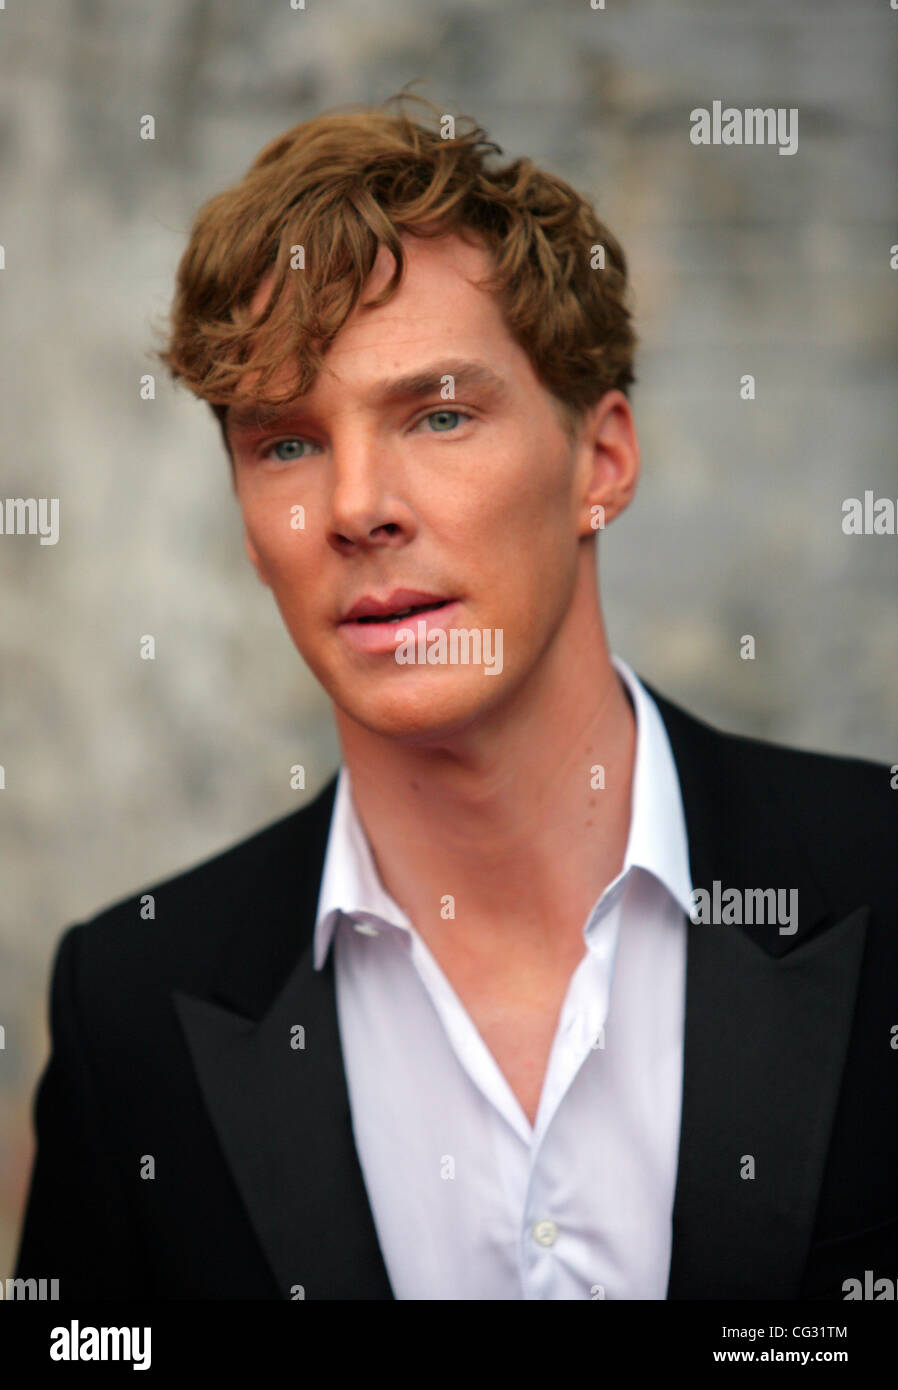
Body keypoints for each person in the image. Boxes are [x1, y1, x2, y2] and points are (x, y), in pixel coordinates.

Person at [15, 95, 896, 1300]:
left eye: (437, 414)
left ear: (600, 461)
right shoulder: (129, 1011)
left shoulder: (879, 873)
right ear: (248, 523)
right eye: (285, 443)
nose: (354, 506)